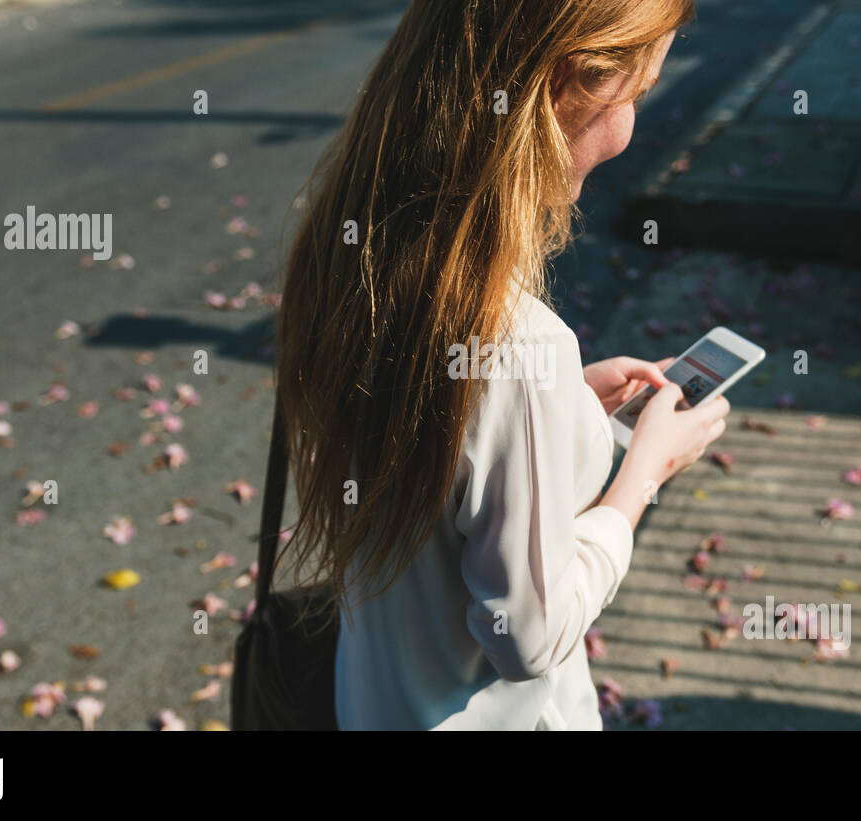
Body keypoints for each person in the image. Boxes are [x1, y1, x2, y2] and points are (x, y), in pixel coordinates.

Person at [275, 0, 728, 730]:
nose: (633, 120)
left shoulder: (352, 253)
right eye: (636, 93)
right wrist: (644, 474)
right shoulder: (520, 346)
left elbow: (437, 451)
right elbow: (529, 633)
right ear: (564, 85)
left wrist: (569, 410)